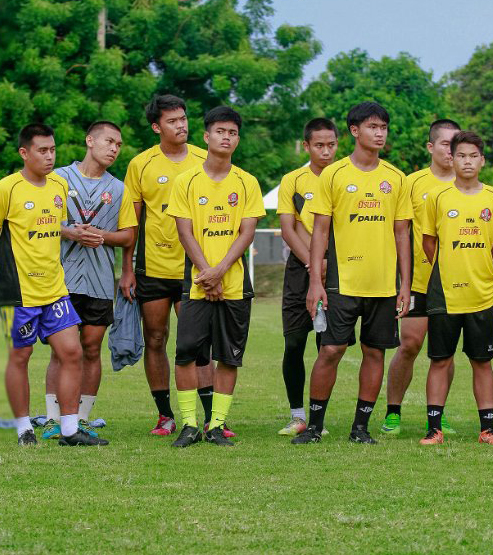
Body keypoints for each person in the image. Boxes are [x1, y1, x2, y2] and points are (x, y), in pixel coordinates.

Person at [292, 101, 413, 445]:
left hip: (383, 285)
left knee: (375, 352)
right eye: (373, 127)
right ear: (355, 131)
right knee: (331, 350)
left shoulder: (395, 178)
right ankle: (314, 427)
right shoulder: (333, 174)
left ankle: (360, 427)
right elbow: (319, 232)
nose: (380, 133)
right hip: (341, 282)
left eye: (384, 128)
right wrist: (315, 281)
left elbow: (402, 233)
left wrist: (405, 285)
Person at [117, 95, 216, 437]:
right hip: (153, 269)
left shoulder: (207, 160)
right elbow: (131, 223)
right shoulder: (140, 165)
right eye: (173, 121)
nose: (182, 125)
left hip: (195, 271)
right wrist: (127, 269)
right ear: (157, 127)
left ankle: (211, 417)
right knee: (156, 338)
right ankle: (165, 415)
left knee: (197, 345)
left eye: (184, 118)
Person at [2, 124, 107, 445]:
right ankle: (23, 428)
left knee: (72, 352)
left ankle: (70, 429)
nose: (50, 157)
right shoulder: (7, 189)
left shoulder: (59, 186)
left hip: (55, 289)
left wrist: (71, 231)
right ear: (24, 153)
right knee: (21, 356)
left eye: (53, 150)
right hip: (19, 293)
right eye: (42, 151)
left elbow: (50, 225)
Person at [166, 106, 265, 447]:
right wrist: (206, 275)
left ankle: (217, 425)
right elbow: (185, 231)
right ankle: (189, 424)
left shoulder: (247, 182)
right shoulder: (186, 181)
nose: (226, 137)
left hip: (234, 284)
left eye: (232, 132)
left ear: (237, 139)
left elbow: (246, 232)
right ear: (206, 137)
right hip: (196, 285)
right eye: (220, 131)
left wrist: (220, 271)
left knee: (228, 356)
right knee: (186, 354)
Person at [41, 122, 133, 440]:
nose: (114, 148)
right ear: (90, 140)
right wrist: (69, 231)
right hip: (59, 280)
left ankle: (81, 419)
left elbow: (128, 235)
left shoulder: (119, 188)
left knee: (92, 349)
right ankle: (54, 419)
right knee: (62, 351)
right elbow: (41, 220)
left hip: (99, 281)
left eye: (119, 145)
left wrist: (102, 236)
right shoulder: (58, 179)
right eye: (109, 141)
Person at [419, 131, 493, 446]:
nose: (467, 161)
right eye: (461, 156)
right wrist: (451, 265)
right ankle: (434, 429)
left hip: (481, 293)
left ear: (482, 160)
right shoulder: (440, 197)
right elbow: (429, 242)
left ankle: (487, 429)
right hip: (444, 292)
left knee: (482, 361)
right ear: (451, 159)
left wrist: (476, 265)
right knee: (440, 360)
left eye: (473, 156)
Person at [382, 119, 459, 435]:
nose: (452, 151)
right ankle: (393, 412)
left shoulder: (467, 184)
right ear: (431, 147)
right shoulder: (411, 183)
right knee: (410, 343)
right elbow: (397, 232)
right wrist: (400, 279)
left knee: (445, 349)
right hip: (417, 282)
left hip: (454, 285)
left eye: (457, 144)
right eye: (445, 144)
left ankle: (438, 414)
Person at [275, 117, 338, 436]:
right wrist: (314, 264)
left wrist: (329, 263)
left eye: (331, 145)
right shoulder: (293, 180)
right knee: (294, 342)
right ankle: (297, 415)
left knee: (327, 345)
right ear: (307, 146)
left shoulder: (344, 177)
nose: (326, 151)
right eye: (319, 145)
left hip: (338, 269)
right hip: (301, 270)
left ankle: (317, 418)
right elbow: (288, 227)